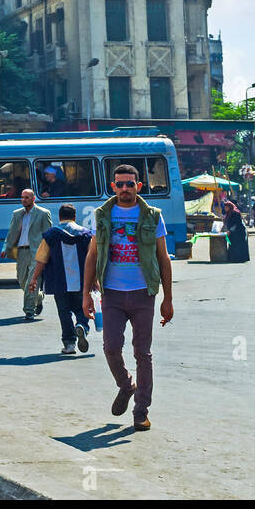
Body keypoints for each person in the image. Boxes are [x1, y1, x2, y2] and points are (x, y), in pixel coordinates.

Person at [82, 163, 173, 433]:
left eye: (129, 184)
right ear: (113, 187)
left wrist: (168, 298)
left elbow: (163, 257)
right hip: (111, 294)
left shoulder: (152, 215)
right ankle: (126, 385)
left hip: (144, 293)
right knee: (111, 347)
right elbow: (92, 255)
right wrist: (86, 293)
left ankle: (140, 411)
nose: (124, 189)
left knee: (142, 353)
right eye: (119, 184)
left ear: (139, 186)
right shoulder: (102, 215)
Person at [28, 204, 94, 354]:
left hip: (59, 282)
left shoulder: (51, 235)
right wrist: (95, 279)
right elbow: (93, 258)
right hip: (82, 282)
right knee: (82, 308)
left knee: (64, 312)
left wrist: (34, 279)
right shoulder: (85, 235)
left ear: (59, 217)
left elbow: (41, 260)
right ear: (75, 217)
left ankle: (69, 344)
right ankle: (82, 327)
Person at [3, 189, 52, 320]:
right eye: (22, 197)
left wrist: (47, 253)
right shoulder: (17, 214)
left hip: (37, 253)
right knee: (21, 280)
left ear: (33, 199)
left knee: (32, 280)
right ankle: (39, 297)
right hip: (21, 252)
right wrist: (5, 248)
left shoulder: (43, 213)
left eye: (26, 197)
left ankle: (29, 311)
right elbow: (11, 232)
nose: (23, 200)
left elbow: (49, 235)